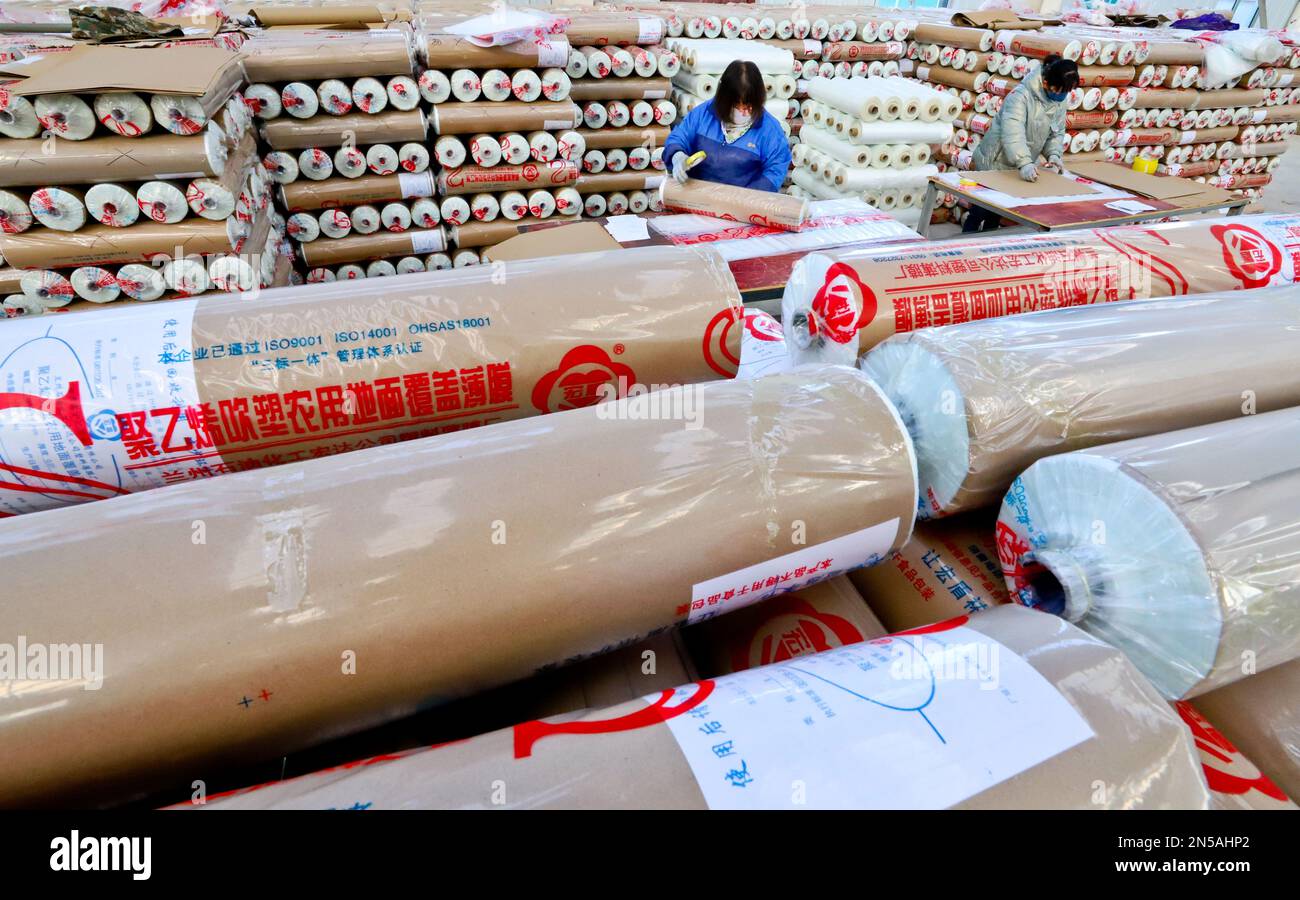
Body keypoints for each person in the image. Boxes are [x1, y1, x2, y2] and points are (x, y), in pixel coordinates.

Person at [964, 55, 1081, 232]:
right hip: (996, 160)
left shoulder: (1058, 101)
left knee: (998, 210)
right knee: (982, 208)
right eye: (1059, 90)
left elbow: (1056, 132)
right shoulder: (1021, 96)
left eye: (1066, 91)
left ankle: (987, 250)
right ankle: (965, 244)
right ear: (1045, 82)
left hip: (1016, 164)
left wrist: (1054, 155)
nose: (1062, 95)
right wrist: (1025, 163)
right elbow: (1013, 133)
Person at [664, 59, 792, 192]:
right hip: (697, 198)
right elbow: (679, 137)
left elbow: (776, 169)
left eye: (748, 106)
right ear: (723, 99)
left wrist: (752, 197)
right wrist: (677, 155)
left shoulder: (769, 130)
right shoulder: (703, 114)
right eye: (737, 105)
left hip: (742, 206)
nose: (743, 112)